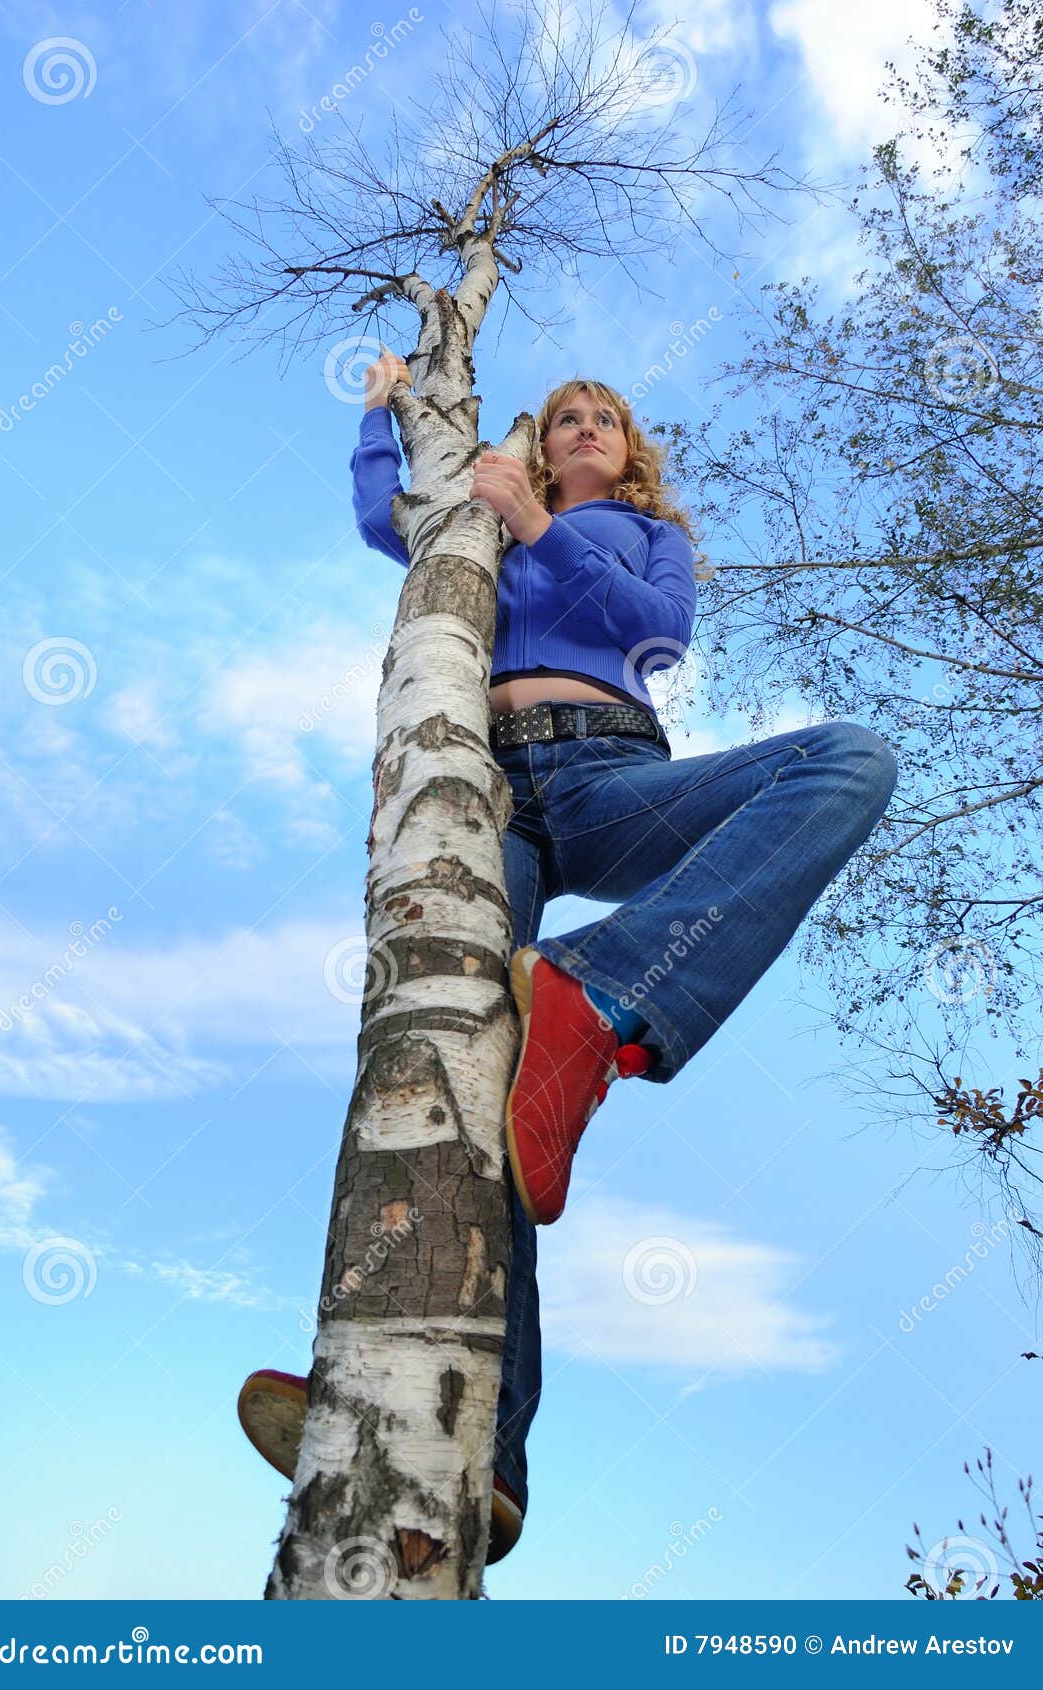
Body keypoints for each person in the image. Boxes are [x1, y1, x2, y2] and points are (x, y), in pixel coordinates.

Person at [238, 353, 899, 1567]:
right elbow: (385, 521)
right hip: (476, 781)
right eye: (565, 417)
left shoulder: (643, 535)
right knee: (463, 1062)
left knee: (850, 759)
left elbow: (650, 633)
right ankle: (483, 1459)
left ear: (628, 453)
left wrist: (537, 518)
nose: (587, 425)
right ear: (535, 441)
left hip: (610, 777)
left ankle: (606, 993)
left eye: (608, 418)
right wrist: (385, 408)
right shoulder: (482, 513)